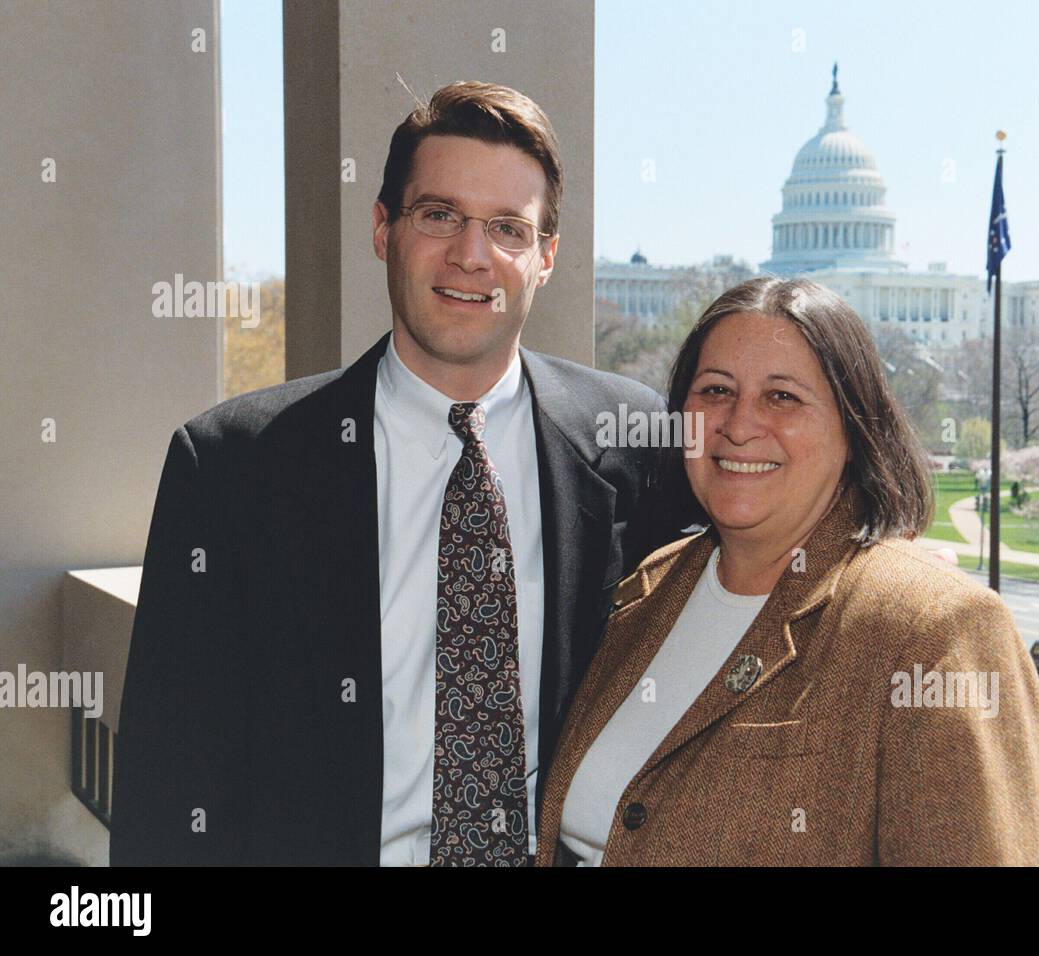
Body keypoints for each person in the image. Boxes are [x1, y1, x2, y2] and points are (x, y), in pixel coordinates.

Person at [111, 81, 676, 866]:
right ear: (384, 228)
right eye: (438, 215)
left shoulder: (637, 446)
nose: (471, 255)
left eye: (507, 228)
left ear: (545, 257)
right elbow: (167, 784)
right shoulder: (232, 468)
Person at [537, 276, 1039, 866]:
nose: (739, 425)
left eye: (782, 396)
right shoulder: (649, 588)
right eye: (715, 390)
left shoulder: (933, 630)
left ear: (854, 428)